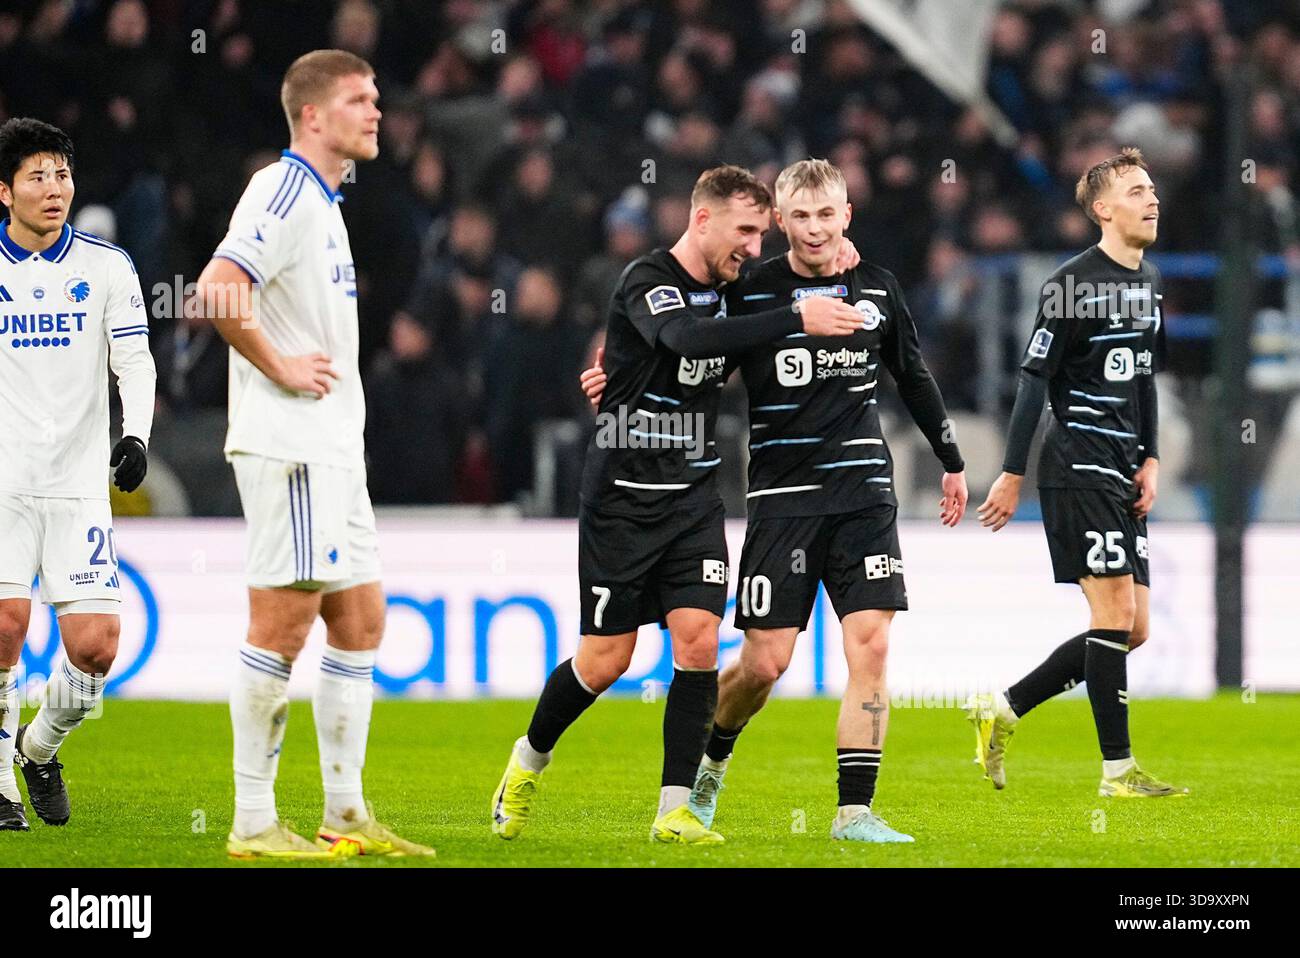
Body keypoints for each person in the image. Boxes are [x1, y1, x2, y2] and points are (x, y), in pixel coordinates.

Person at [581, 159, 969, 843]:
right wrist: (618, 389)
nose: (816, 229)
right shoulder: (752, 290)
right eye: (801, 216)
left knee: (872, 644)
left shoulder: (877, 287)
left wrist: (951, 461)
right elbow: (693, 359)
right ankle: (710, 763)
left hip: (863, 491)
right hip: (783, 496)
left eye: (828, 215)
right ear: (781, 222)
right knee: (765, 662)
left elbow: (912, 374)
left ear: (846, 216)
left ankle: (855, 812)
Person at [490, 164, 865, 845]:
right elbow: (688, 339)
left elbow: (789, 280)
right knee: (607, 661)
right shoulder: (646, 282)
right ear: (702, 220)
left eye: (760, 233)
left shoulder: (739, 286)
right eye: (746, 232)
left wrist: (839, 254)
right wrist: (793, 316)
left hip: (694, 494)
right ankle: (528, 760)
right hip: (623, 501)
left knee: (696, 642)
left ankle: (675, 811)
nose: (755, 248)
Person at [197, 49, 434, 859]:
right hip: (290, 443)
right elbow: (219, 287)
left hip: (333, 448)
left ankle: (345, 812)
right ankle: (253, 821)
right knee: (284, 622)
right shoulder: (285, 188)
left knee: (361, 618)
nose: (376, 112)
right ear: (313, 116)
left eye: (376, 97)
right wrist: (281, 366)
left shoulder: (327, 202)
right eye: (360, 99)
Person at [972, 148, 1187, 799]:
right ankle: (1118, 773)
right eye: (1136, 190)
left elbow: (1146, 378)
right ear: (1102, 209)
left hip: (1123, 467)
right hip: (1076, 463)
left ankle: (1003, 706)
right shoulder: (1071, 284)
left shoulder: (1148, 281)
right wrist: (1012, 473)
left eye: (1153, 189)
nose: (1151, 200)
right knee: (1115, 611)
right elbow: (1034, 380)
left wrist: (1149, 456)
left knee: (1133, 628)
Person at [0, 117, 156, 831]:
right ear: (4, 191)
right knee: (6, 628)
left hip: (77, 485)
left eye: (61, 173)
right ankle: (0, 785)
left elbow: (135, 361)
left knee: (95, 648)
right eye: (37, 175)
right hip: (3, 481)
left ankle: (38, 749)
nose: (54, 187)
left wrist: (136, 436)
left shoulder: (107, 267)